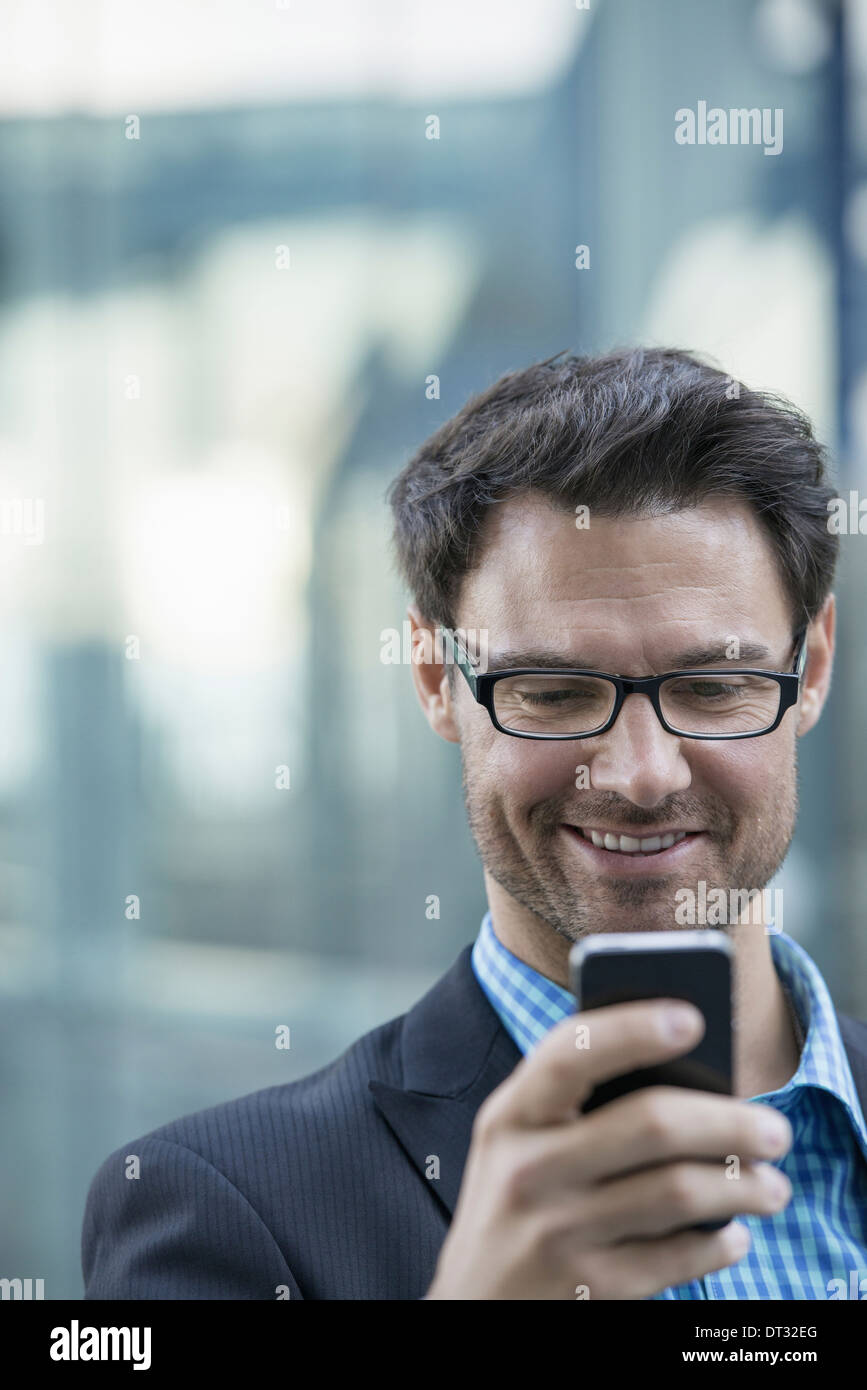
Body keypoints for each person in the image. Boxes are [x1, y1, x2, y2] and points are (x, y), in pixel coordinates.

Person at [82, 347, 867, 1300]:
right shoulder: (217, 1212)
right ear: (432, 678)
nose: (642, 775)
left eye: (710, 688)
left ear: (812, 666)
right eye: (553, 691)